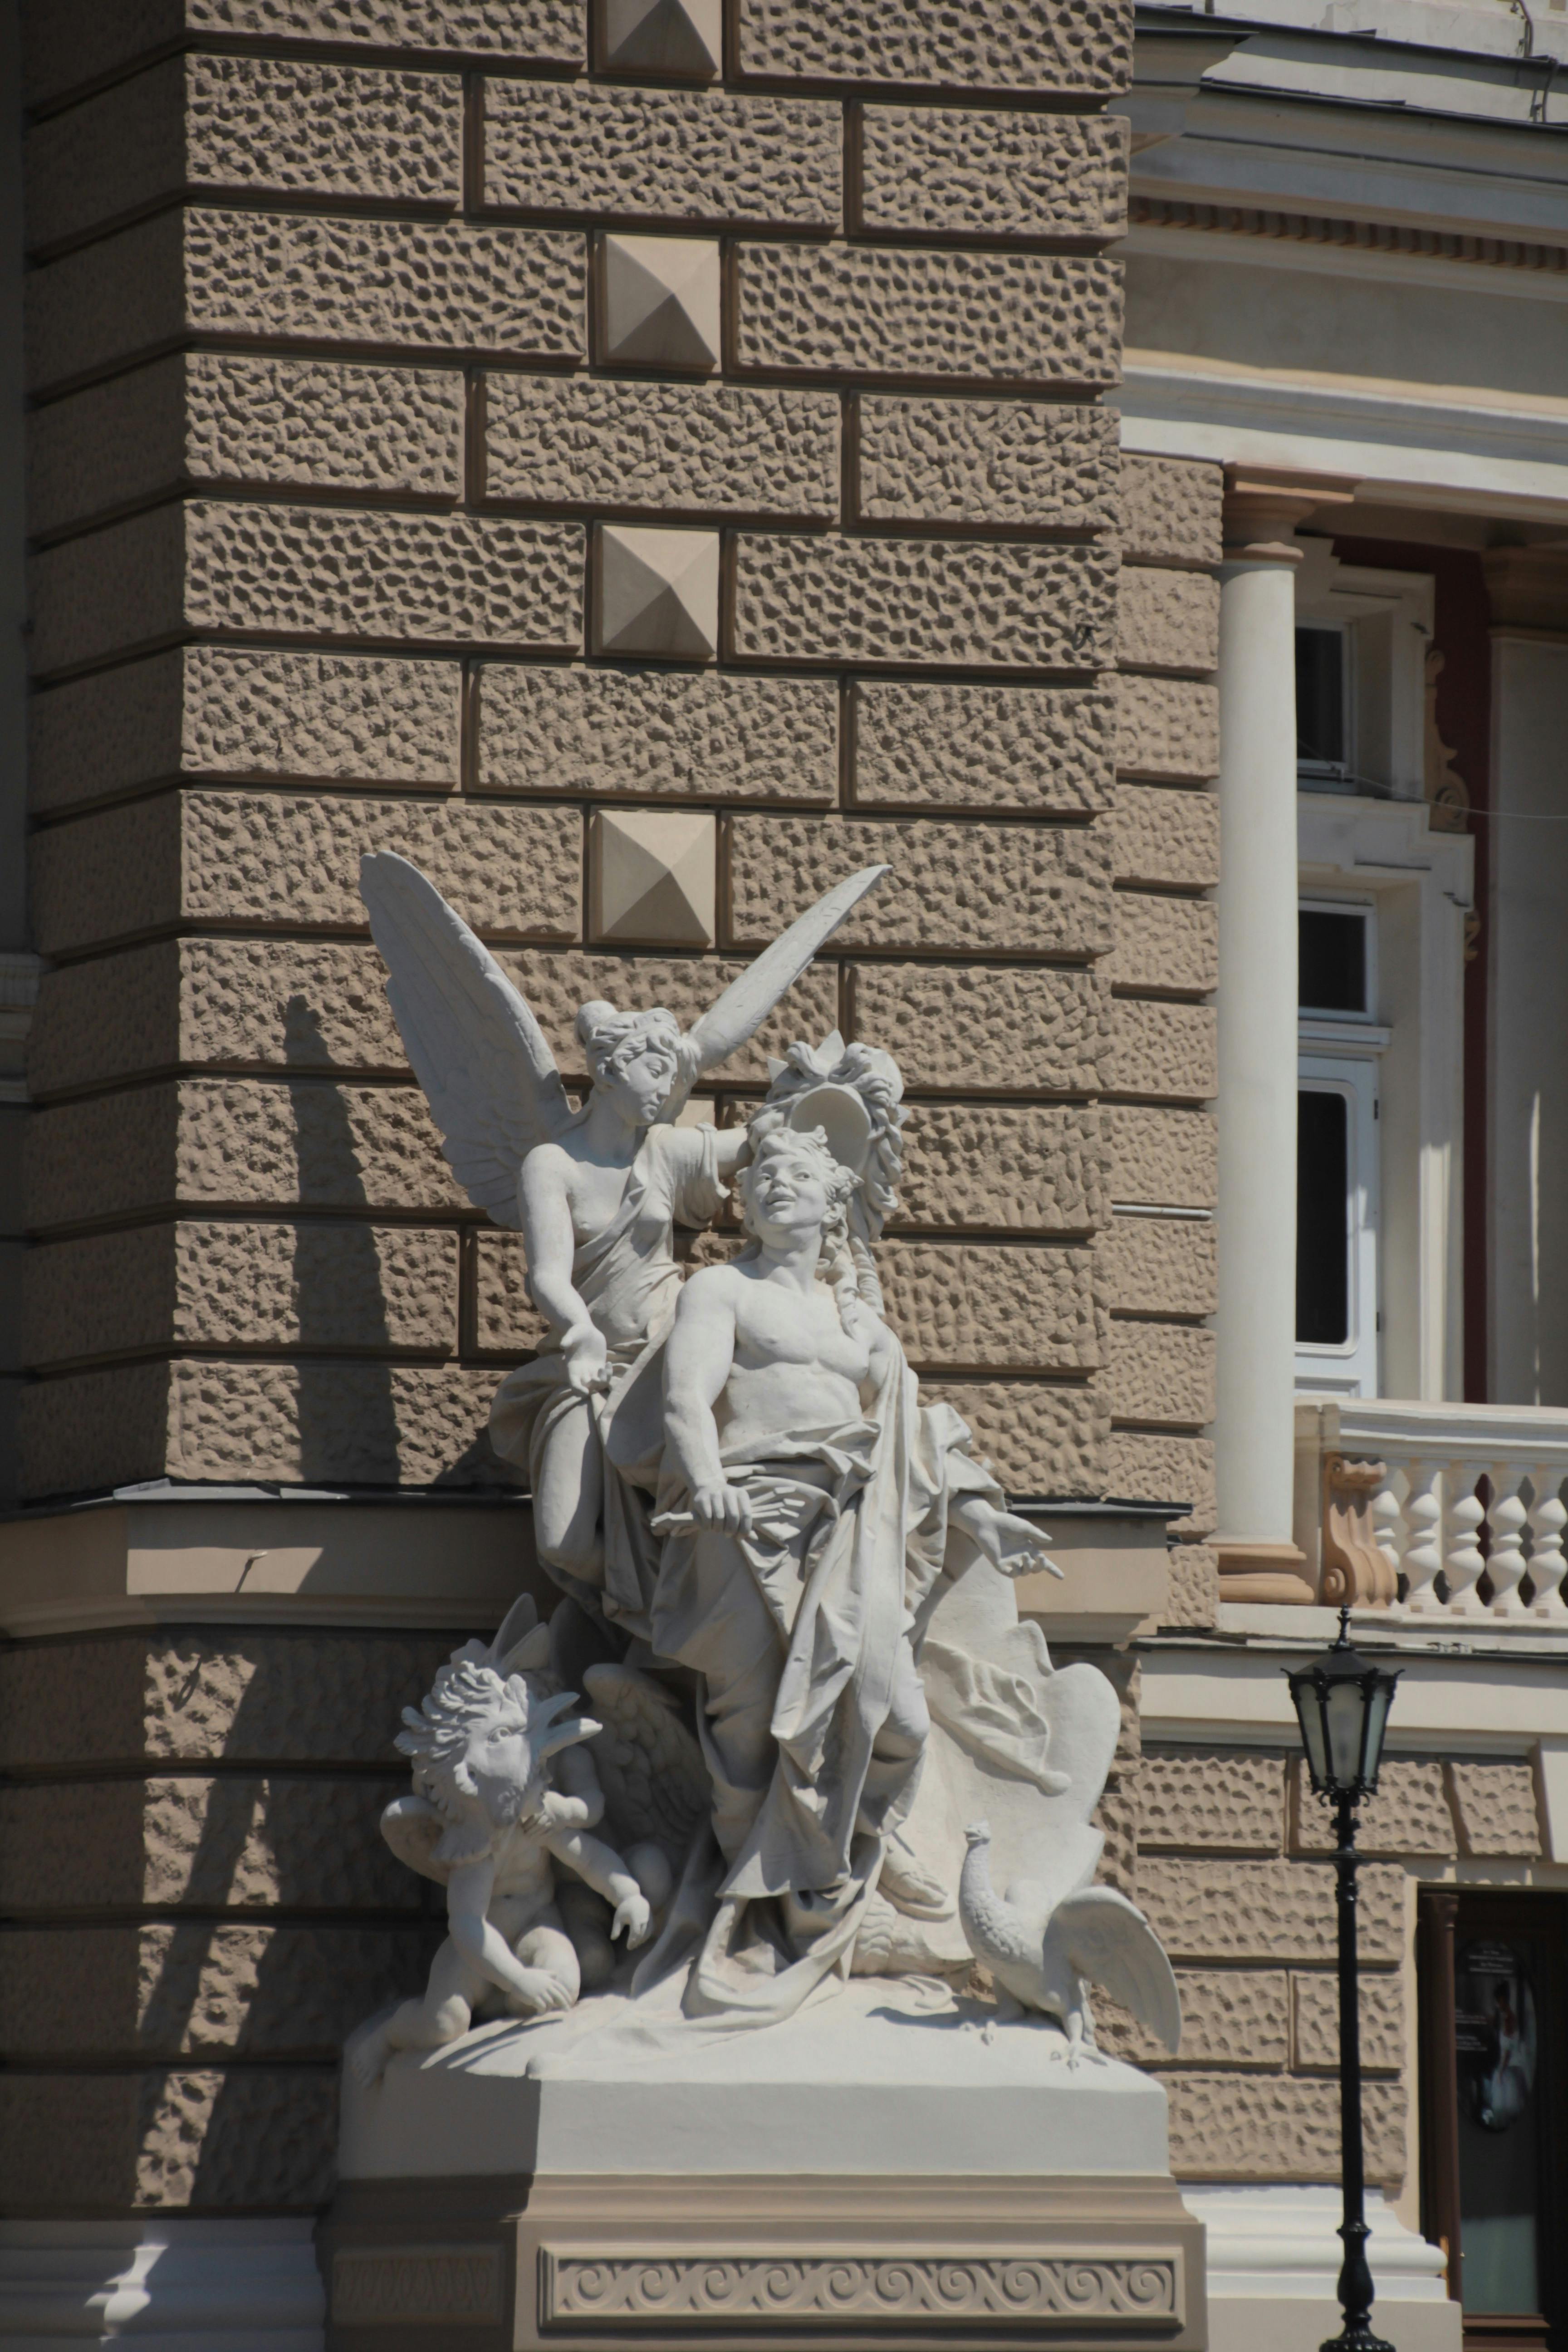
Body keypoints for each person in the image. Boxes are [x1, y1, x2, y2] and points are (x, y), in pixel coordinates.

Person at [651, 1112, 1054, 2022]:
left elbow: (914, 1437)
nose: (772, 1184)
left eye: (794, 1173)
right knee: (751, 1724)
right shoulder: (722, 1289)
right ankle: (755, 1914)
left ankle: (849, 1849)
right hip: (750, 1515)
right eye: (760, 1177)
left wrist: (984, 1517)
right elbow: (685, 1399)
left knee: (898, 1719)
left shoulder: (858, 1318)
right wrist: (708, 1482)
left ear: (834, 1203)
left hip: (849, 1526)